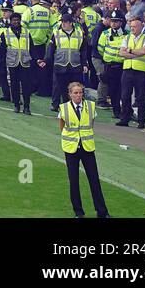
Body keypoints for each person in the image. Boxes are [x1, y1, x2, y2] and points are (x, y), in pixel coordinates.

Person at [59, 81, 109, 218]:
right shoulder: (64, 108)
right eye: (75, 93)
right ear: (70, 94)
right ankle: (78, 212)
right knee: (74, 181)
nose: (78, 95)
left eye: (80, 92)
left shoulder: (90, 106)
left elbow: (91, 124)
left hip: (87, 147)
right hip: (71, 148)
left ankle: (102, 212)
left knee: (94, 180)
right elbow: (62, 126)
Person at [116, 16, 145, 128]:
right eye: (131, 27)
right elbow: (121, 53)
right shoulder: (126, 38)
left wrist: (130, 51)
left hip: (140, 71)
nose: (132, 29)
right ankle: (125, 118)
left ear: (141, 27)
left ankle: (141, 121)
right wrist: (136, 53)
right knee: (125, 95)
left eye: (135, 27)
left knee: (140, 96)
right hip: (127, 70)